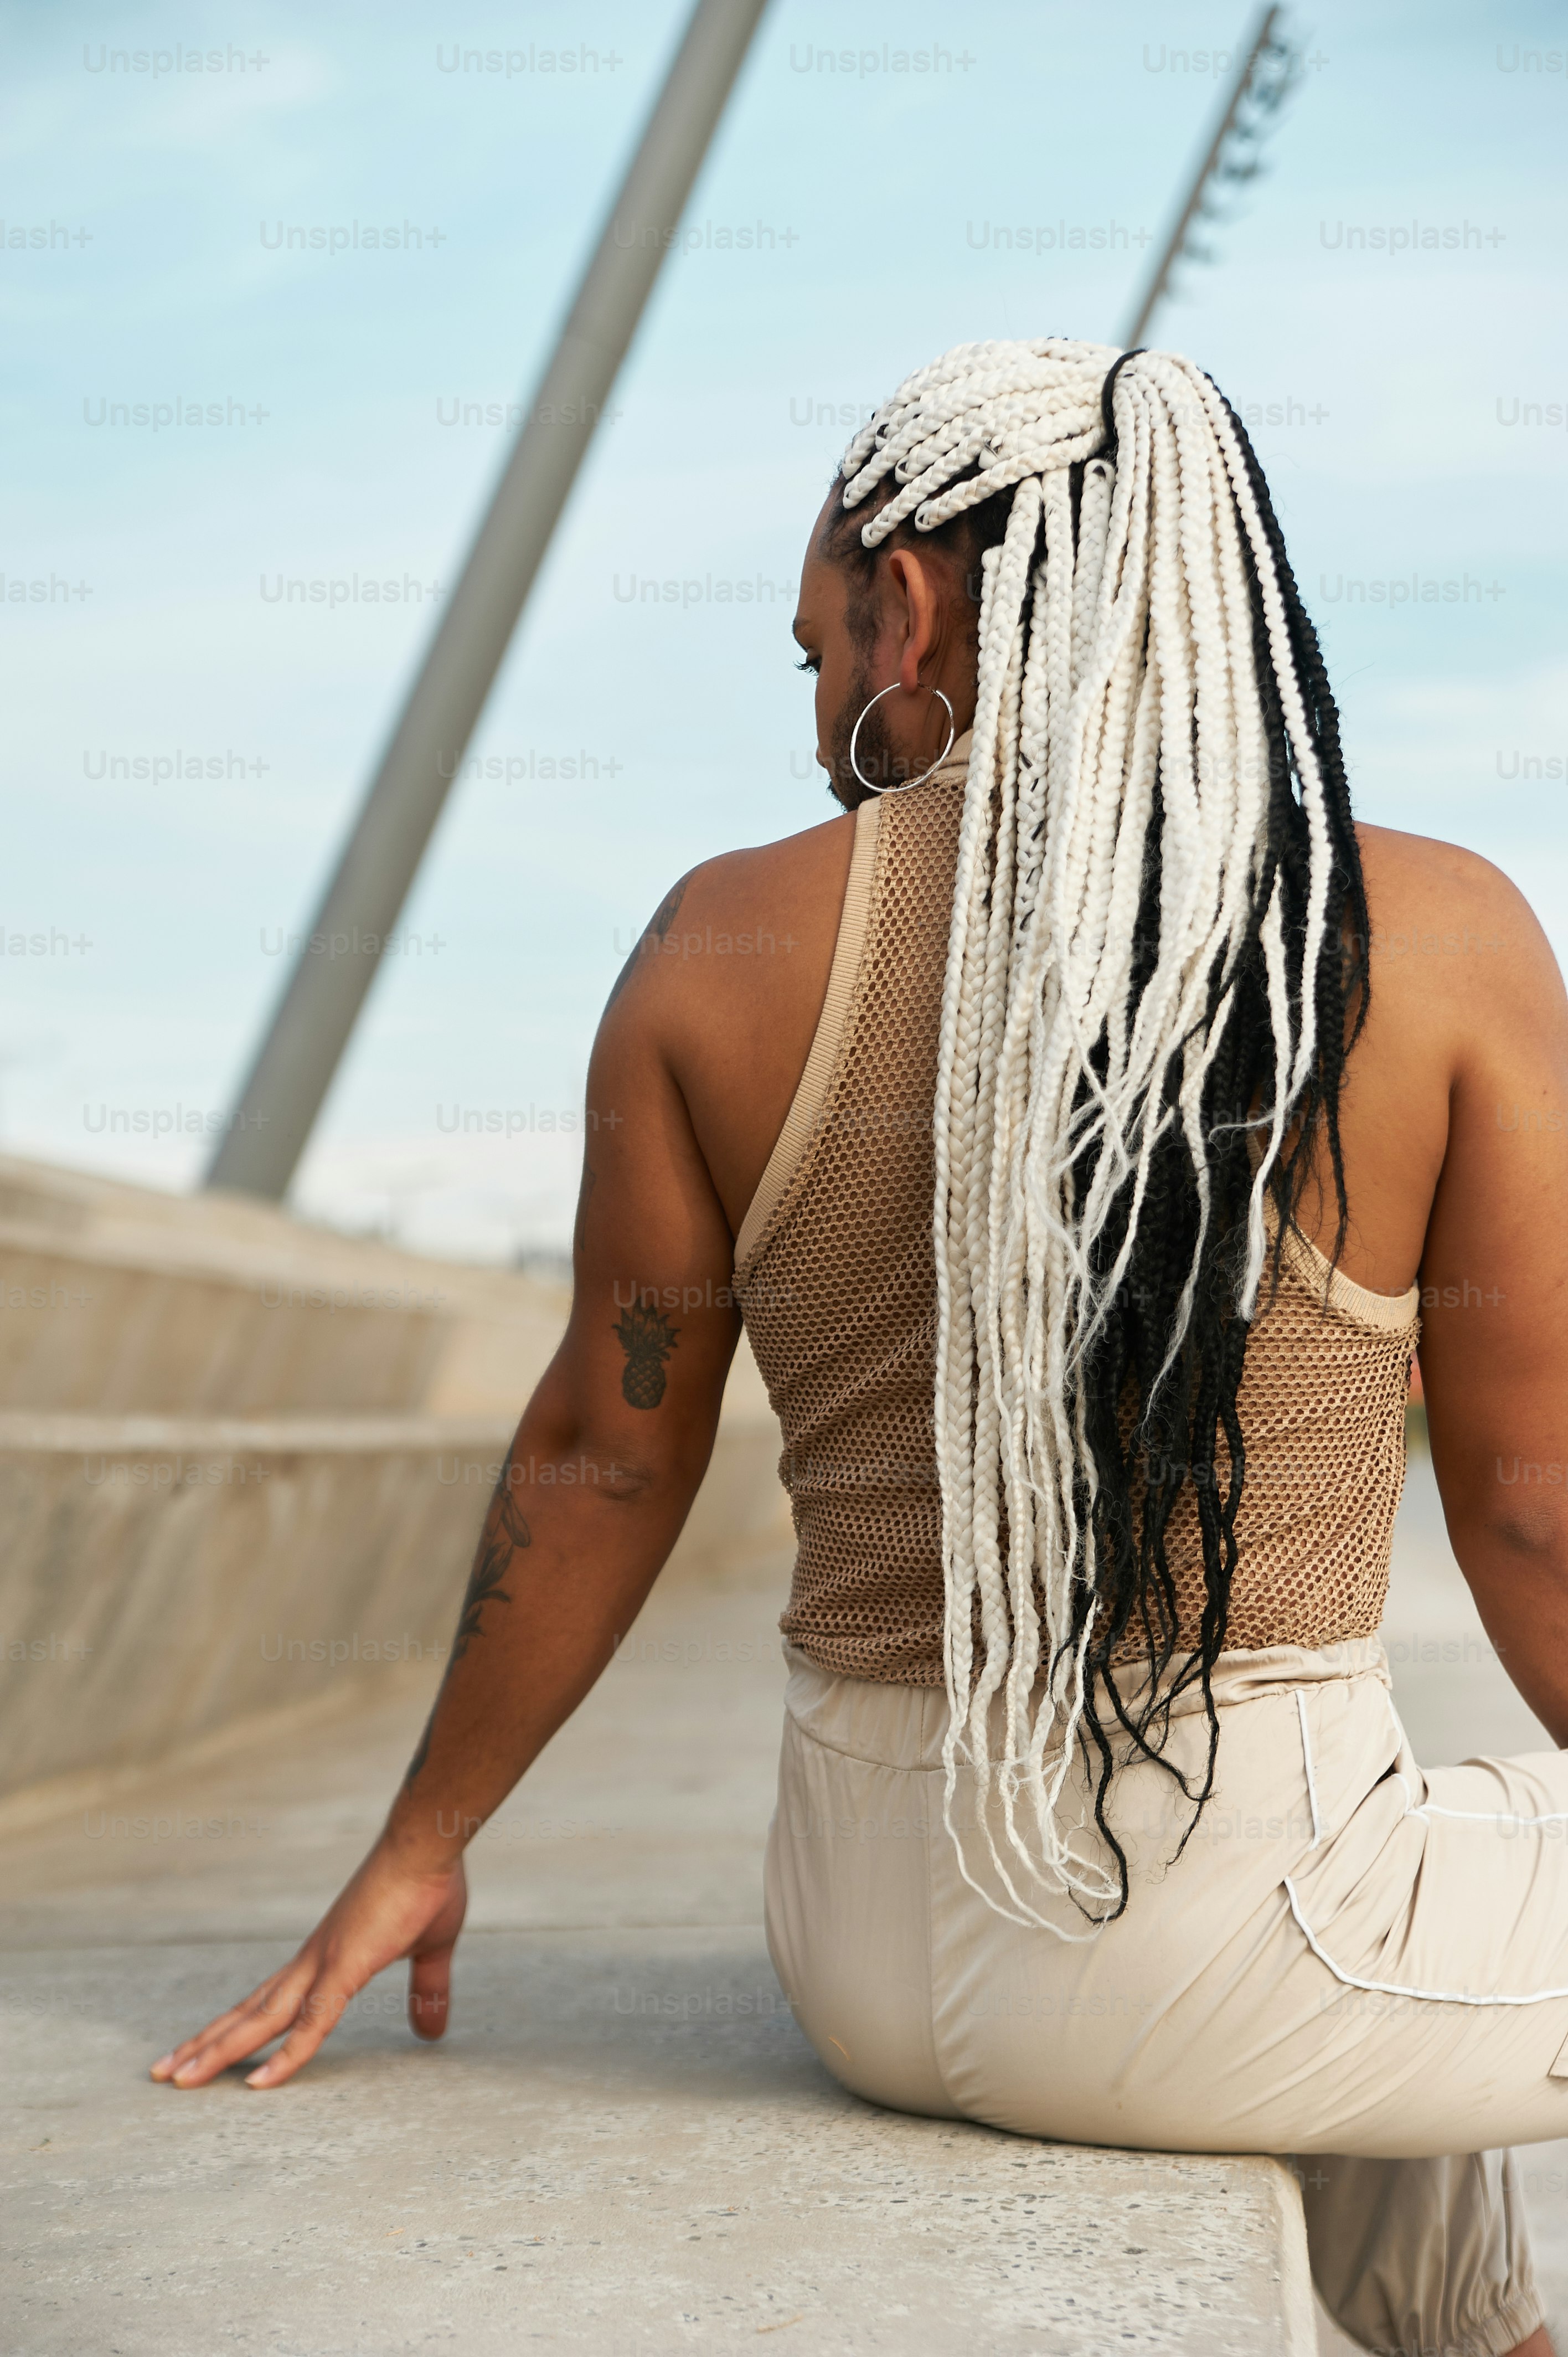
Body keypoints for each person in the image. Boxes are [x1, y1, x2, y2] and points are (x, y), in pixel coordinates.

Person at [153, 338, 1568, 2357]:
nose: (826, 717)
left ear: (911, 600)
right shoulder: (1409, 934)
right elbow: (1529, 1516)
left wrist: (421, 1844)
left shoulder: (709, 949)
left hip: (862, 1941)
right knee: (1383, 1857)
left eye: (819, 654)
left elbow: (601, 1451)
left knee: (1387, 1915)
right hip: (1233, 1924)